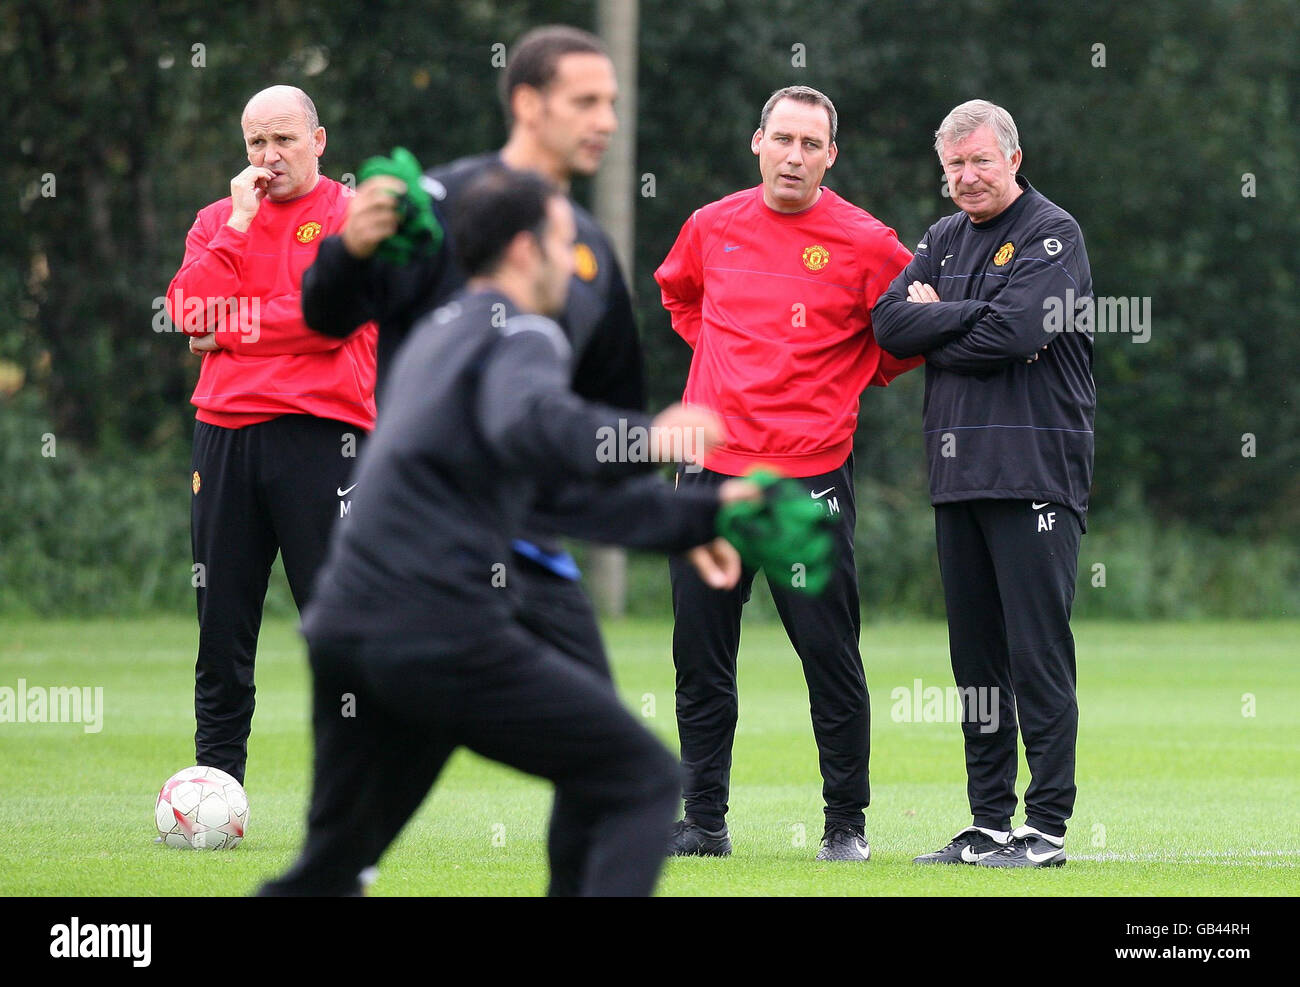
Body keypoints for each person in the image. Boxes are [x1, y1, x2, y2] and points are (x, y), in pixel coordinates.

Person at [259, 169, 746, 897]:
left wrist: (697, 517)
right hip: (436, 627)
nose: (575, 264)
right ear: (524, 250)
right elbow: (536, 425)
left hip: (348, 626)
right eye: (563, 243)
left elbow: (544, 487)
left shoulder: (438, 332)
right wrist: (651, 438)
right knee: (639, 777)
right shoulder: (523, 333)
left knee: (328, 869)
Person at [299, 26, 669, 894]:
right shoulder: (443, 202)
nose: (607, 120)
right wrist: (347, 247)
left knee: (610, 770)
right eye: (587, 100)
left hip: (533, 554)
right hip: (427, 553)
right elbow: (324, 314)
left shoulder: (588, 247)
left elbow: (612, 425)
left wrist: (678, 513)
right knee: (348, 837)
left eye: (613, 102)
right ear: (527, 102)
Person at [655, 85, 921, 861]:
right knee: (701, 656)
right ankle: (703, 820)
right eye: (783, 139)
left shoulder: (869, 242)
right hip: (709, 474)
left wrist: (843, 377)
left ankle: (846, 825)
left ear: (831, 156)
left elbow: (903, 333)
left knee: (829, 655)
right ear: (757, 142)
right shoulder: (711, 225)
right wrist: (723, 360)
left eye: (812, 144)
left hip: (806, 482)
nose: (795, 156)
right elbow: (681, 296)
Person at [871, 99, 1095, 868]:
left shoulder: (1052, 233)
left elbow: (1021, 330)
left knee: (1037, 655)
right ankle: (989, 822)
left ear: (1014, 158)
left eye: (980, 161)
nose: (967, 177)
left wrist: (947, 320)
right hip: (958, 477)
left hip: (1035, 473)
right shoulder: (940, 237)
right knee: (976, 666)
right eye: (955, 165)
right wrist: (969, 321)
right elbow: (888, 323)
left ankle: (1047, 829)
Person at [164, 86, 377, 786]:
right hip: (223, 437)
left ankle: (351, 791)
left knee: (337, 625)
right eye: (257, 141)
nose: (269, 155)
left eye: (284, 139)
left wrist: (225, 332)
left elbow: (329, 318)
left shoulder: (354, 218)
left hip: (324, 439)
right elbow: (184, 309)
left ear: (318, 141)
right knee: (221, 628)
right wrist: (239, 227)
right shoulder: (219, 220)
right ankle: (215, 787)